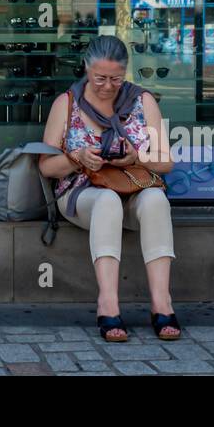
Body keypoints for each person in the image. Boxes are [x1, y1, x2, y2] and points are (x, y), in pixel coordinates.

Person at [40, 35, 180, 343]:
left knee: (156, 199)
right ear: (86, 69)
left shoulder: (143, 101)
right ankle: (108, 304)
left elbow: (166, 162)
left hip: (132, 188)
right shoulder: (66, 104)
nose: (107, 86)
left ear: (126, 72)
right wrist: (76, 158)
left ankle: (162, 304)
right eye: (99, 78)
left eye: (115, 79)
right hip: (82, 194)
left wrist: (136, 156)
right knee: (106, 201)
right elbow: (46, 167)